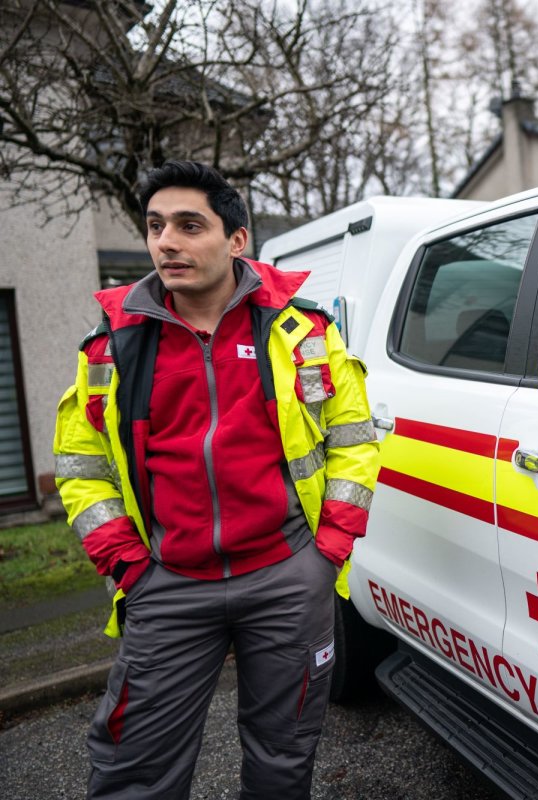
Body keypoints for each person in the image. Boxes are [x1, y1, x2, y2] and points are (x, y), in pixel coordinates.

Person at [52, 161, 380, 799]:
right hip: (168, 584)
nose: (166, 242)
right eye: (155, 226)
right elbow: (82, 467)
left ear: (236, 240)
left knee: (283, 762)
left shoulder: (300, 332)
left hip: (287, 578)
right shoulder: (112, 345)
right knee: (133, 768)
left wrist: (327, 555)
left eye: (188, 225)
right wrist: (129, 569)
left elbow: (353, 441)